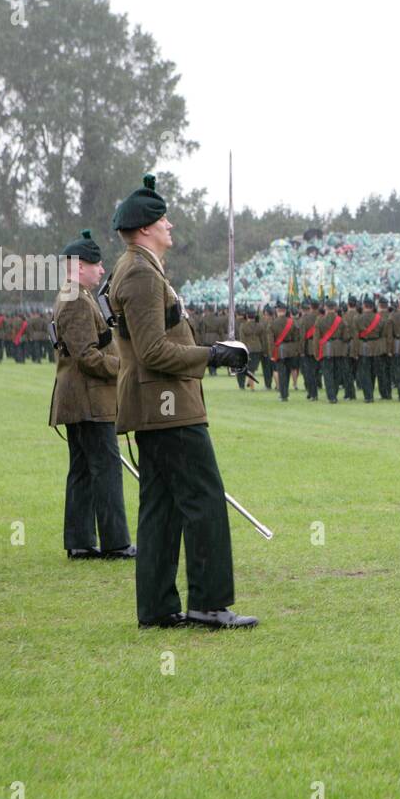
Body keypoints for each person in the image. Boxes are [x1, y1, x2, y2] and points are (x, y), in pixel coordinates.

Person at [107, 174, 256, 628]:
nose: (170, 224)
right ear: (146, 227)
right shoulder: (140, 273)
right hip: (166, 407)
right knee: (204, 499)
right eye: (163, 218)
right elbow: (152, 351)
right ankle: (209, 604)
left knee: (162, 507)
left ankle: (157, 607)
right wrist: (213, 354)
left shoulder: (140, 268)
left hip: (158, 405)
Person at [50, 229, 134, 561]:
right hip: (88, 400)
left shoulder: (75, 295)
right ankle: (116, 543)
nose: (101, 270)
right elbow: (86, 355)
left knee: (84, 470)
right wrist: (122, 368)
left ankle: (81, 541)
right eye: (96, 264)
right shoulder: (75, 298)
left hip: (82, 399)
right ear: (80, 265)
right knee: (106, 469)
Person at [268, 299, 302, 402]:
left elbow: (270, 341)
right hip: (291, 350)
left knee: (282, 372)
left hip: (279, 350)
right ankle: (285, 393)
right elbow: (297, 338)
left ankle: (283, 394)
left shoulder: (272, 324)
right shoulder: (292, 322)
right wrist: (296, 350)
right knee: (287, 373)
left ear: (277, 311)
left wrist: (272, 354)